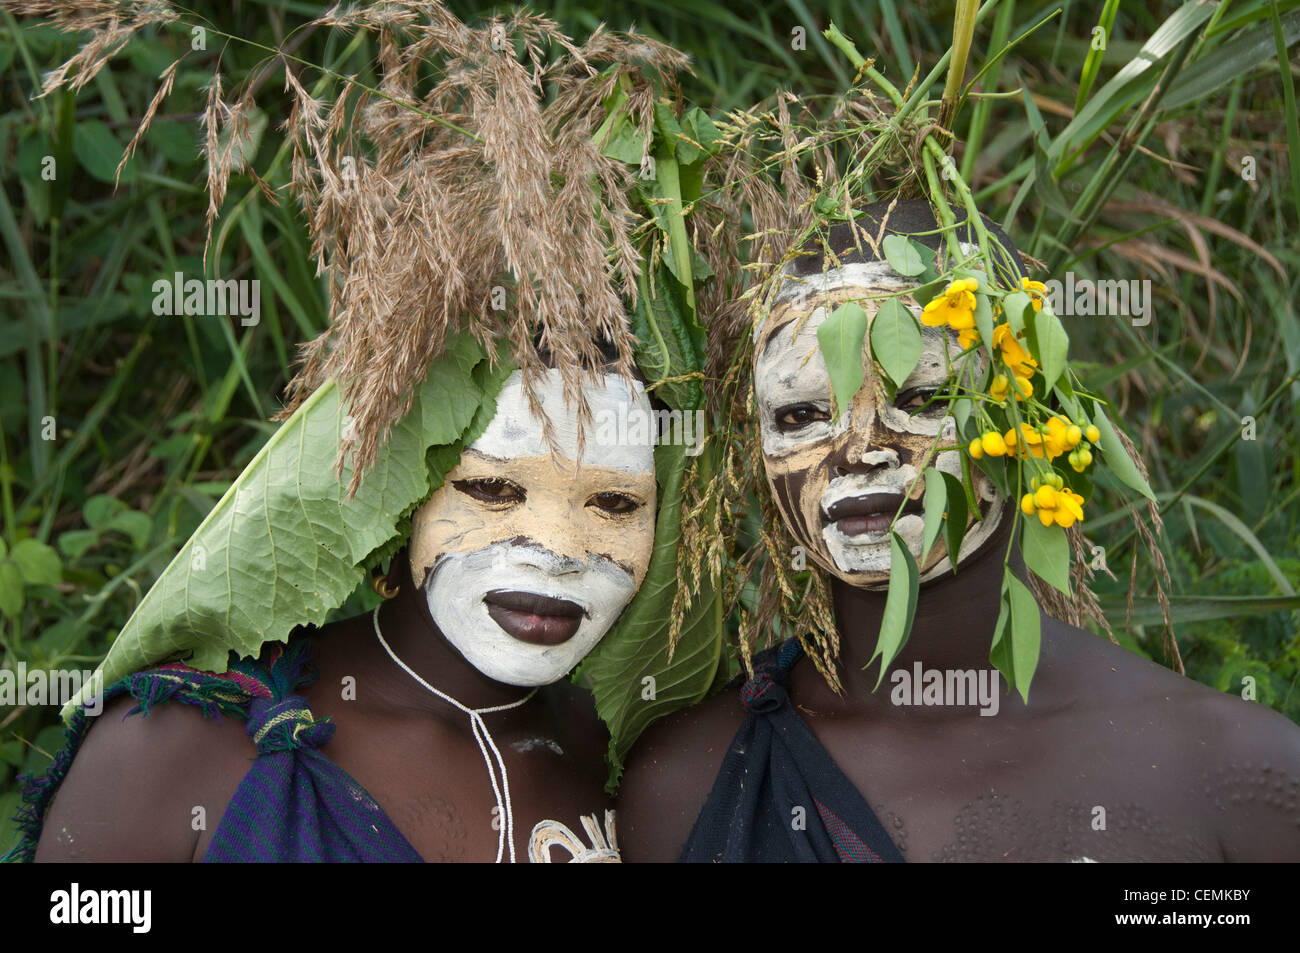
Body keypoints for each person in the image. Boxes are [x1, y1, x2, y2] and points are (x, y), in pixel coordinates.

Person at [617, 201, 1300, 862]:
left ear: (1027, 419)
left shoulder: (1234, 774)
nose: (858, 450)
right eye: (800, 416)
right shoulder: (686, 783)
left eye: (923, 399)